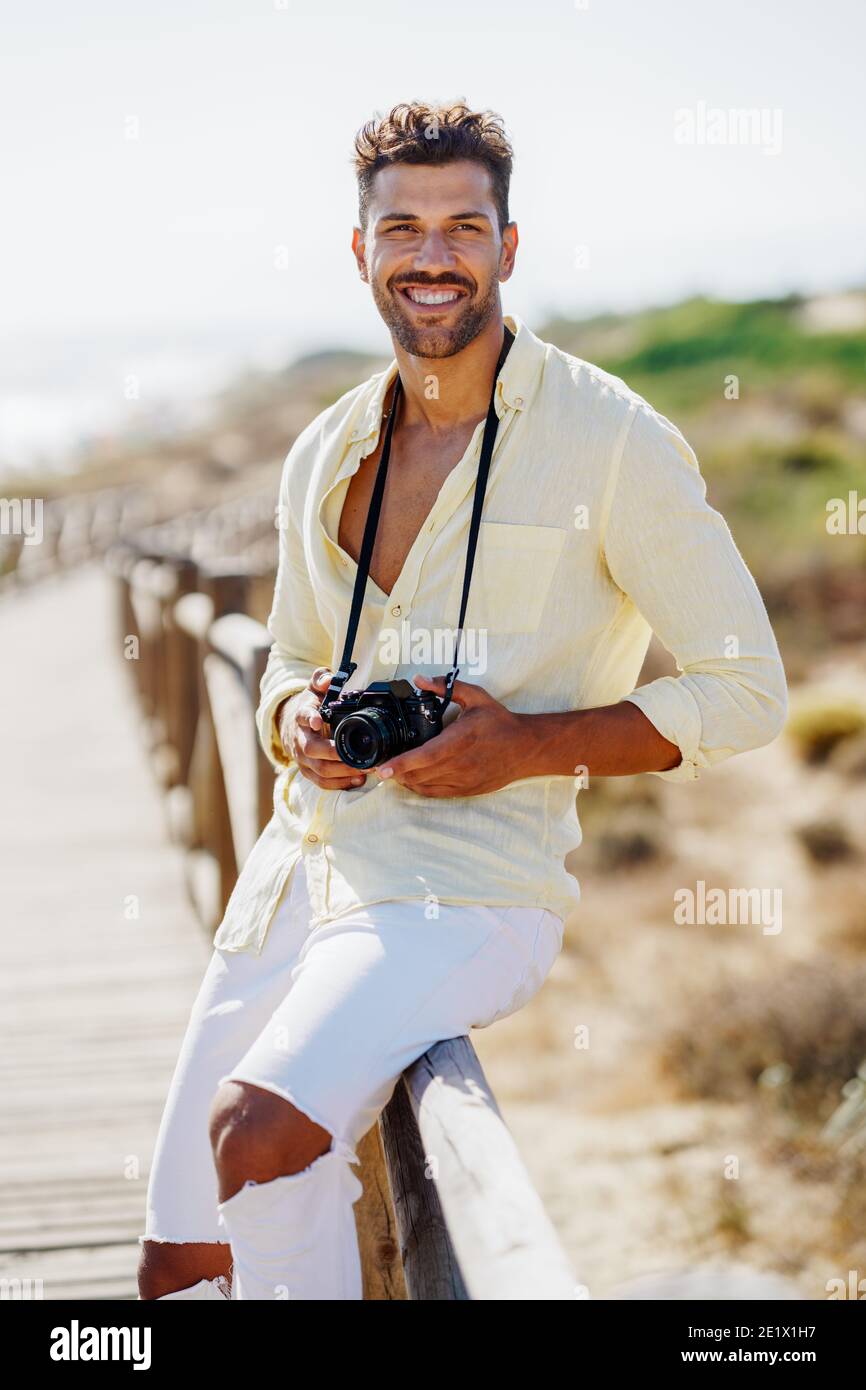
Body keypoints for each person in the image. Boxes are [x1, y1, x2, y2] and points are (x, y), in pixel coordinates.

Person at [137, 101, 788, 1300]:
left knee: (262, 1141)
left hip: (466, 887)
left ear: (507, 245)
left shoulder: (610, 441)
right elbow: (285, 654)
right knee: (179, 1263)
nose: (431, 256)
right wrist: (294, 722)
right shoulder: (325, 448)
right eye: (402, 228)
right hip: (300, 870)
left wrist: (522, 744)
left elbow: (746, 690)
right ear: (360, 250)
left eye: (463, 226)